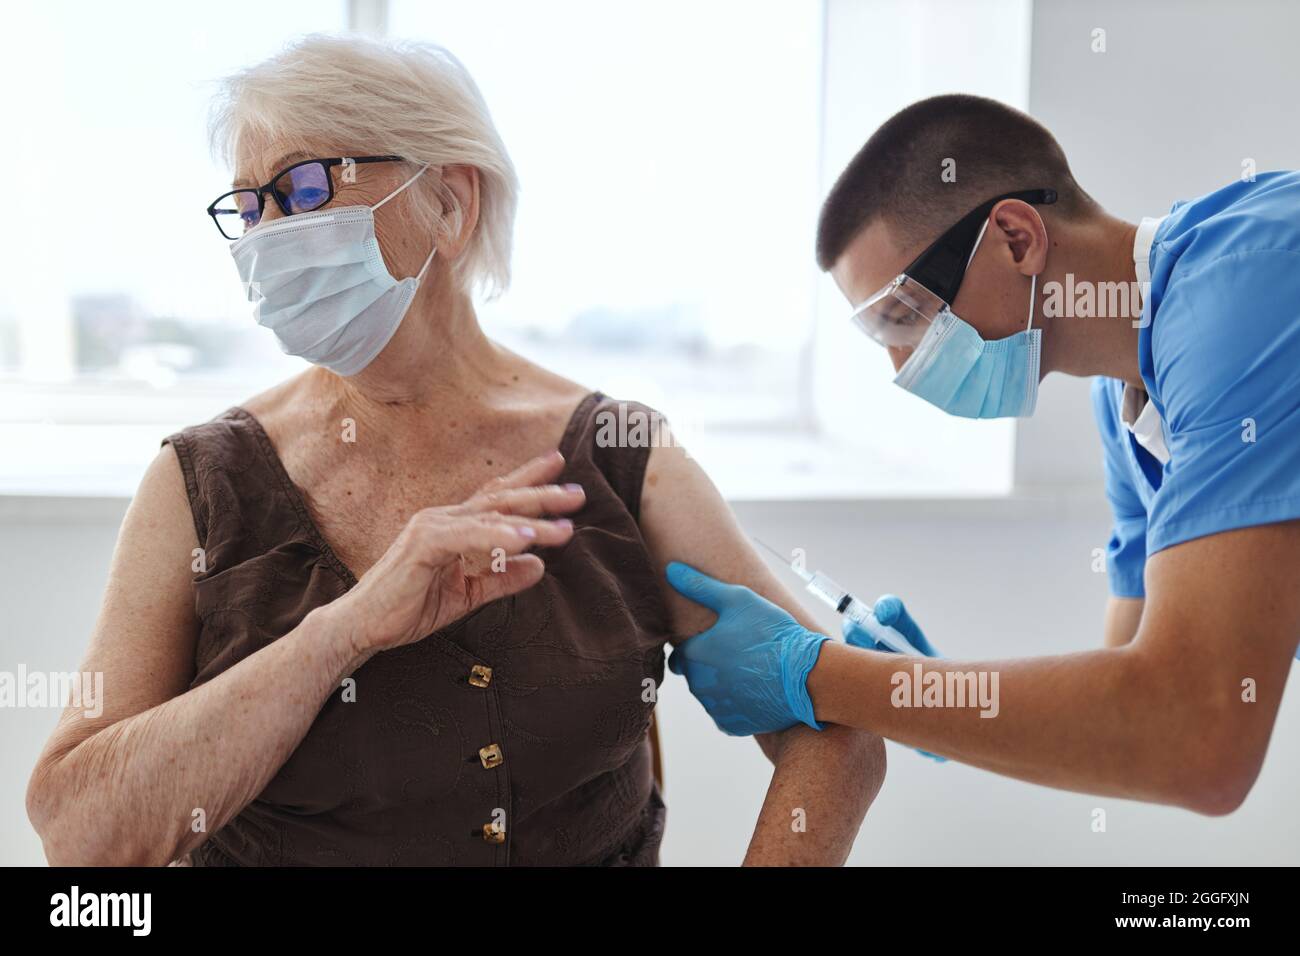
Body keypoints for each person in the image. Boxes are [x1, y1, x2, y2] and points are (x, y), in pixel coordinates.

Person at [25, 34, 883, 866]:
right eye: (249, 207)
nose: (266, 236)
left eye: (306, 187)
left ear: (449, 202)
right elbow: (80, 835)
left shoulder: (622, 455)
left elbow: (840, 724)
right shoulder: (201, 484)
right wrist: (343, 633)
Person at [667, 94, 1300, 816]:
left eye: (903, 316)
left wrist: (824, 678)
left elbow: (1190, 740)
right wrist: (930, 691)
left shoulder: (1249, 290)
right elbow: (1129, 698)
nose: (902, 366)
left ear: (1016, 237)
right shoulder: (1129, 405)